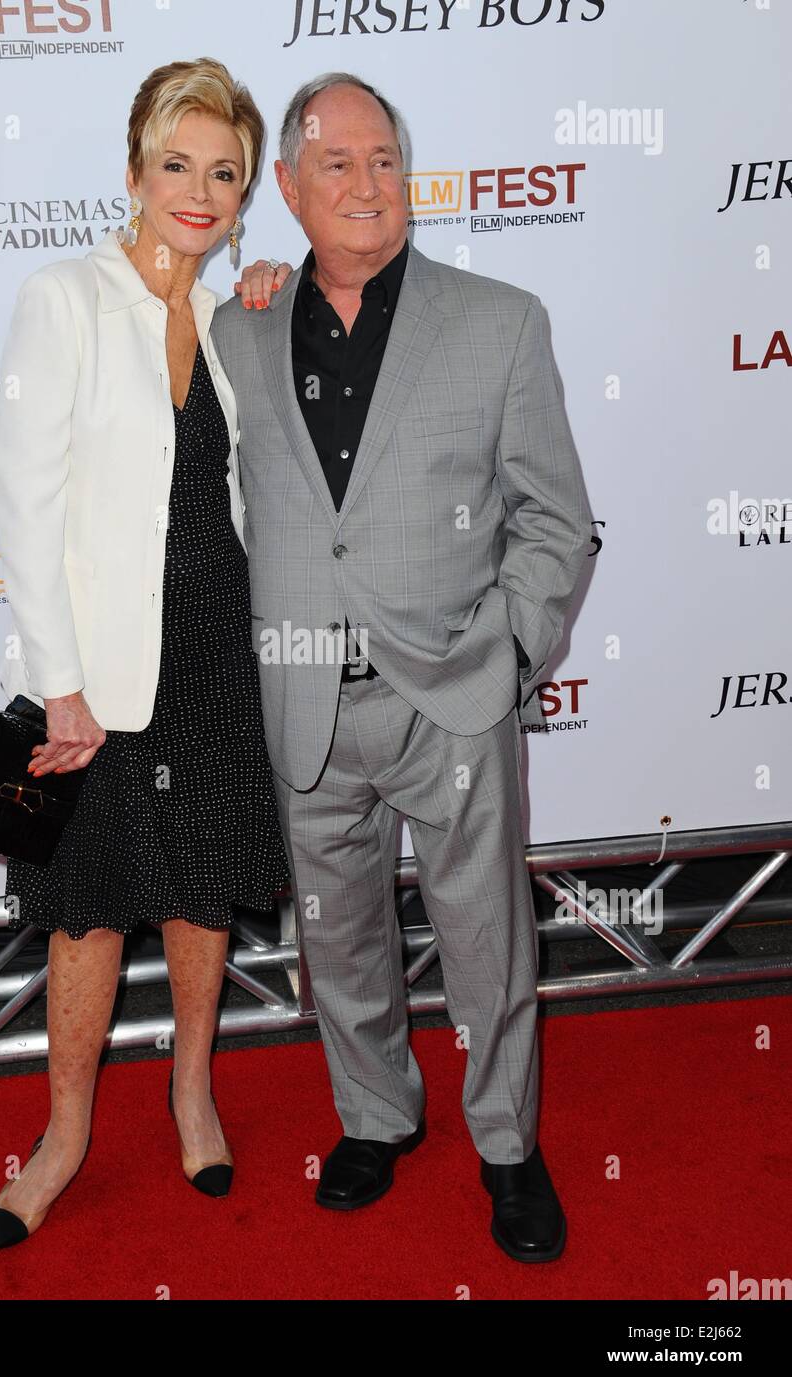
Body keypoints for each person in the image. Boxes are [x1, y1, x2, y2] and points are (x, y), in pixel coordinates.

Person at [209, 72, 590, 1263]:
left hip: (453, 699)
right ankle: (374, 1117)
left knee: (488, 943)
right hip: (307, 704)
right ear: (286, 188)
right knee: (341, 942)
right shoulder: (240, 328)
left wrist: (512, 650)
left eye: (385, 160)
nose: (367, 184)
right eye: (336, 163)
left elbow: (555, 521)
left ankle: (507, 1148)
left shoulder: (499, 320)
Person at [0, 57, 293, 1247]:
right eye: (177, 165)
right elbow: (24, 503)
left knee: (206, 884)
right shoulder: (62, 297)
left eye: (224, 172)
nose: (200, 192)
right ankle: (63, 1132)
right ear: (132, 173)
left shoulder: (229, 315)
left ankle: (192, 1089)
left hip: (217, 646)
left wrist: (263, 299)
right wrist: (55, 684)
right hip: (93, 676)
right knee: (88, 910)